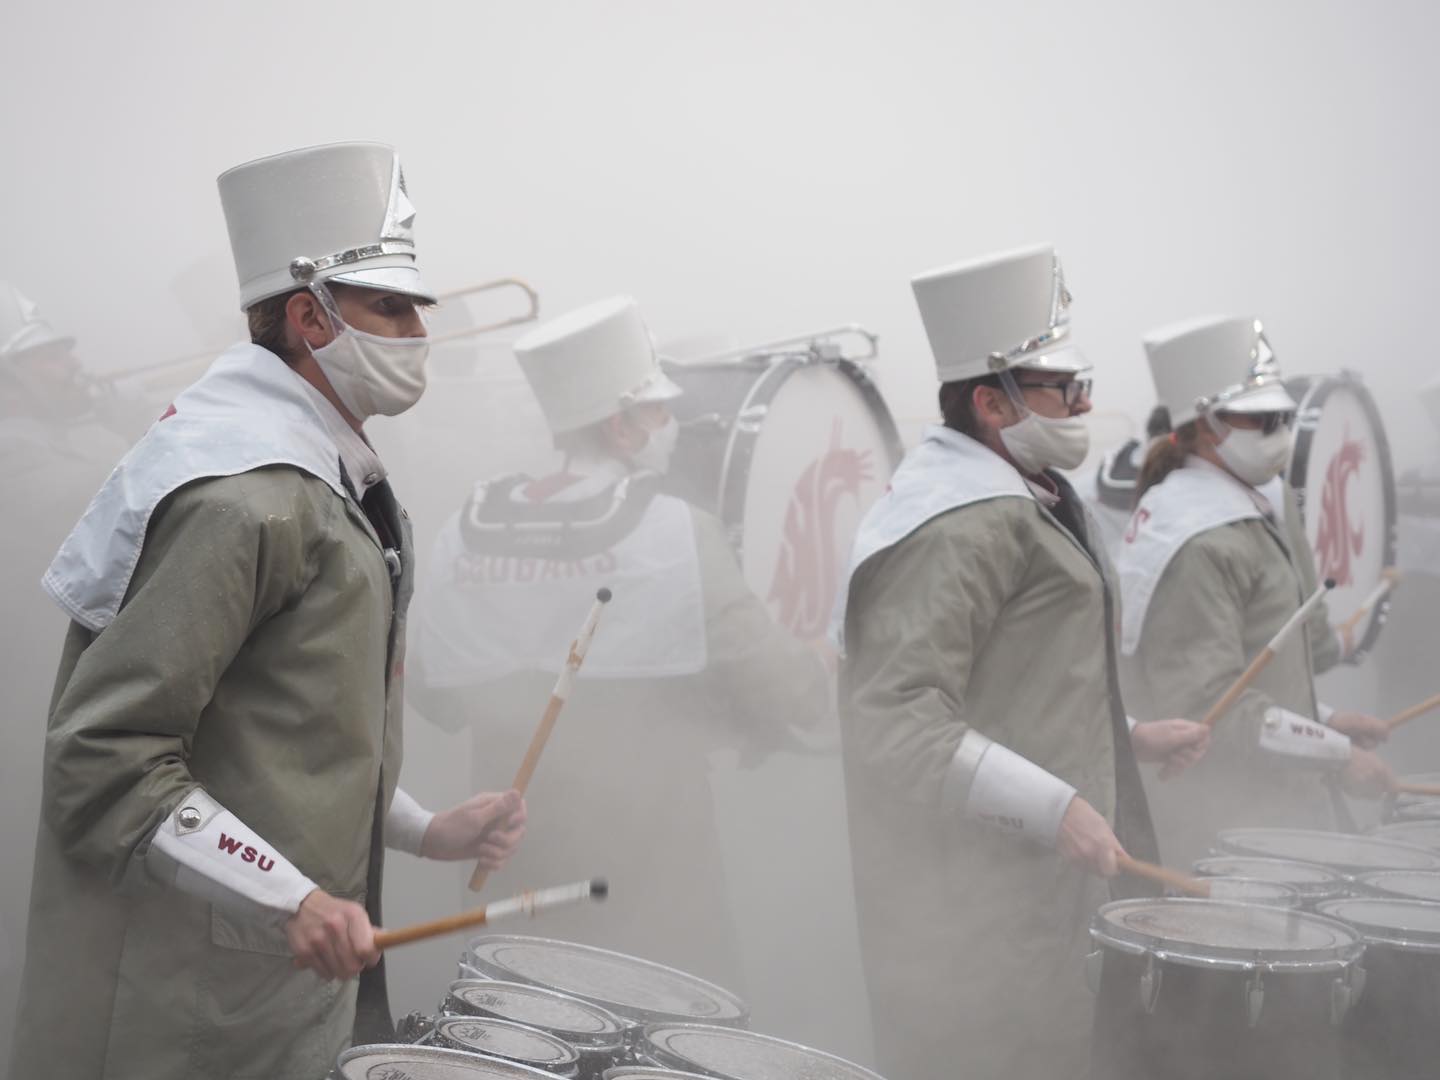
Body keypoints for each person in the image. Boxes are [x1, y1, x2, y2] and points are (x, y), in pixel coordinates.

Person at [9, 141, 526, 1080]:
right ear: (308, 316)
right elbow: (104, 758)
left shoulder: (323, 469)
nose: (419, 332)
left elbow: (291, 729)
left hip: (277, 991)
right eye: (391, 307)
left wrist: (421, 828)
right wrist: (290, 897)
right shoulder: (238, 496)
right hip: (196, 1005)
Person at [834, 244, 1209, 1080]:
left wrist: (1125, 733)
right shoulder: (956, 521)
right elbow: (893, 721)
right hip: (980, 913)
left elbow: (1021, 680)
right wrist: (1055, 807)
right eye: (1062, 388)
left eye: (1083, 384)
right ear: (991, 402)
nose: (1084, 403)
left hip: (1044, 893)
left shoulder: (1029, 493)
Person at [409, 295, 830, 992]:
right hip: (652, 886)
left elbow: (436, 695)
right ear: (622, 426)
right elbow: (777, 686)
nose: (669, 427)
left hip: (511, 865)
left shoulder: (466, 531)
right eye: (658, 412)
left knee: (517, 1027)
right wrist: (817, 668)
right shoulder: (674, 533)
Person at [1118, 315, 1393, 867]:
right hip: (1226, 838)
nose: (1281, 432)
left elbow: (1252, 665)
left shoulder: (1239, 511)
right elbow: (1208, 708)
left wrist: (1322, 718)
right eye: (1264, 419)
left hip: (1272, 816)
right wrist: (1335, 755)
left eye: (1285, 418)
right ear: (1207, 425)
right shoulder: (1196, 541)